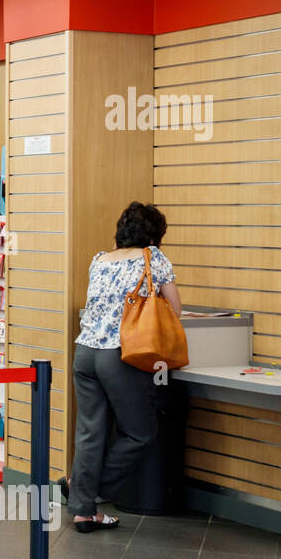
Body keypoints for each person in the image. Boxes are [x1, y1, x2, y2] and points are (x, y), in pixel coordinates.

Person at [66, 201, 182, 532]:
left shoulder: (98, 260)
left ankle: (84, 510)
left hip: (85, 353)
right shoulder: (153, 258)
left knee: (91, 433)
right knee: (140, 432)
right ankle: (82, 491)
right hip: (119, 356)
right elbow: (175, 308)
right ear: (155, 236)